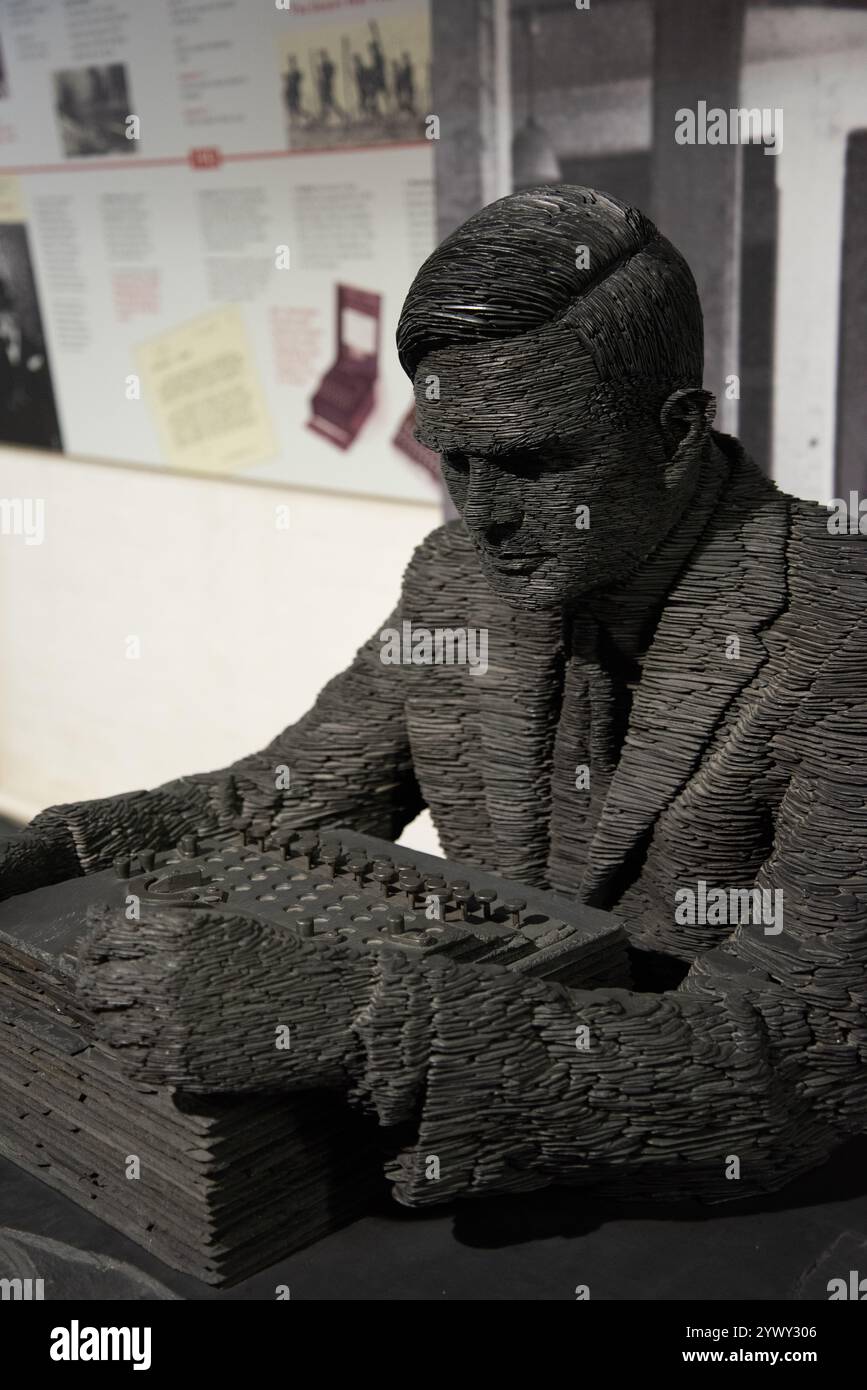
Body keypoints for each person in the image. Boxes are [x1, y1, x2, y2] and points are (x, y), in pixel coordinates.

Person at [9, 188, 867, 1207]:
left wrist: (375, 1018)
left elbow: (805, 1057)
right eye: (452, 459)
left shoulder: (839, 629)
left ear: (677, 433)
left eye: (530, 461)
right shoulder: (458, 583)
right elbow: (279, 796)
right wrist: (54, 851)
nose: (485, 512)